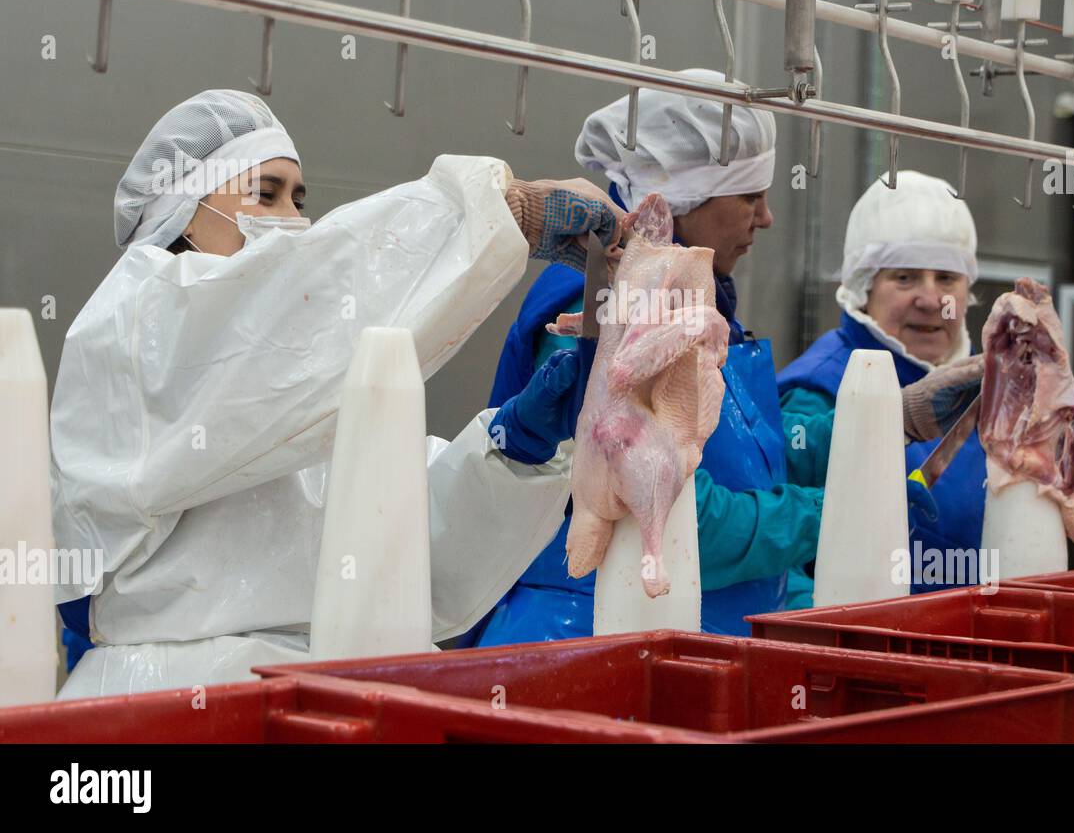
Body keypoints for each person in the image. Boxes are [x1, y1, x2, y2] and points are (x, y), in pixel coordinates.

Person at [50, 89, 621, 698]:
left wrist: (516, 448)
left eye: (299, 199)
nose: (291, 220)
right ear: (180, 214)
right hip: (171, 702)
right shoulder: (141, 316)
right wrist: (503, 212)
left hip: (321, 689)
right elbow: (286, 312)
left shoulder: (301, 389)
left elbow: (404, 552)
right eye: (263, 193)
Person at [471, 71, 978, 643]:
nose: (766, 219)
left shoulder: (690, 289)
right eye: (749, 197)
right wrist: (840, 506)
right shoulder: (598, 301)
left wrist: (887, 423)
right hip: (584, 641)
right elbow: (679, 511)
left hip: (686, 636)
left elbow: (744, 449)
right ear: (684, 197)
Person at [778, 170, 985, 598]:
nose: (931, 301)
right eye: (905, 278)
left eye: (947, 278)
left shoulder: (983, 388)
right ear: (863, 288)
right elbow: (782, 567)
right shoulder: (818, 392)